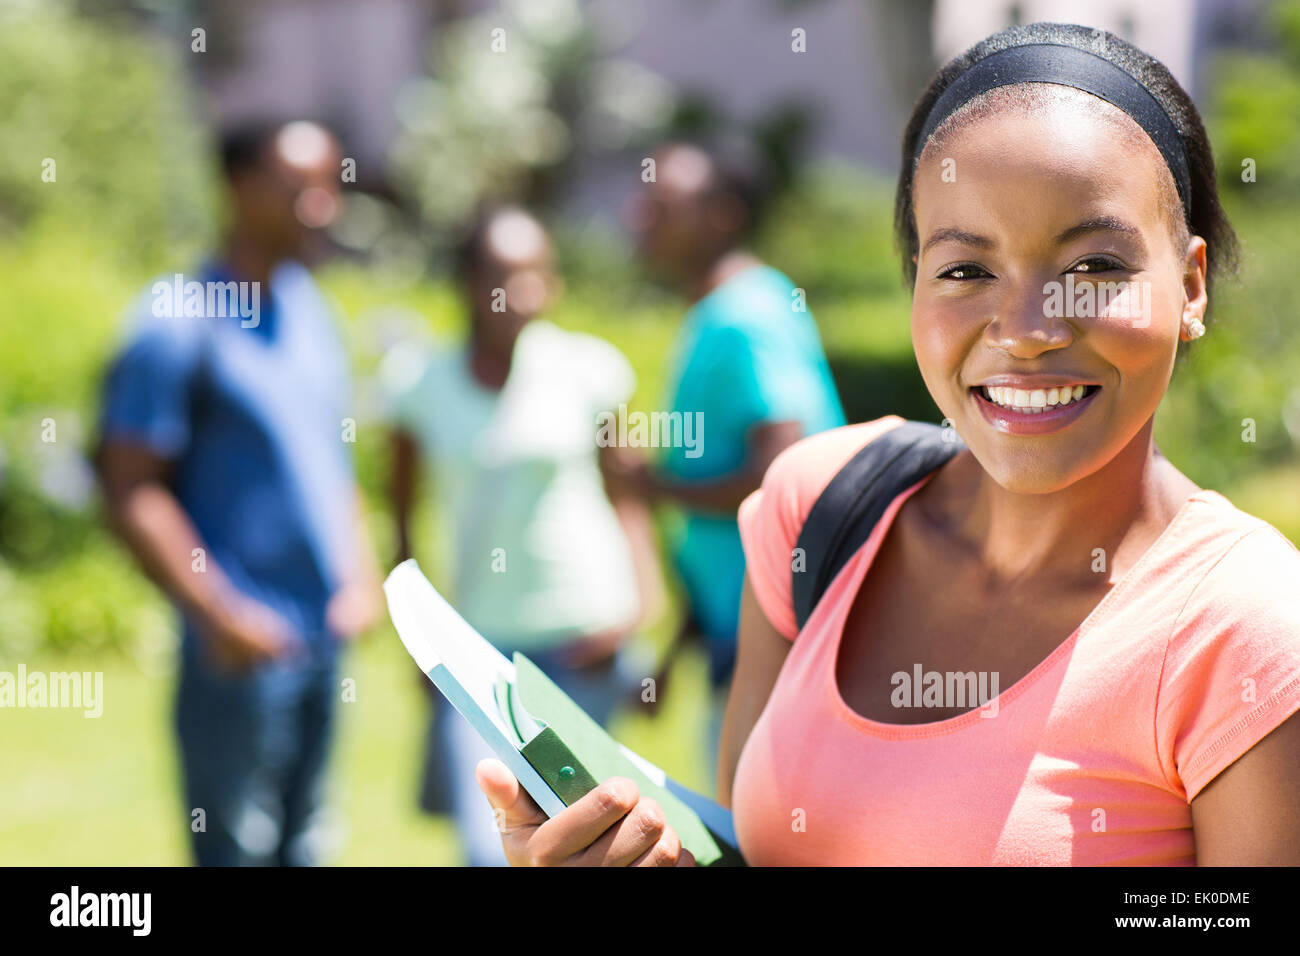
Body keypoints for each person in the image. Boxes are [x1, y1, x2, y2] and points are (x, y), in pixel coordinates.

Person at [473, 22, 1300, 866]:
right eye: (965, 270)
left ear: (1190, 285)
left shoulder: (1243, 627)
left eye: (1093, 266)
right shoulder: (821, 508)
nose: (1025, 332)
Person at [95, 119, 383, 866]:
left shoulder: (311, 311)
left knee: (308, 844)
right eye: (298, 189)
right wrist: (220, 612)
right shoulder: (175, 322)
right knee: (234, 850)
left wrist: (359, 574)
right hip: (236, 651)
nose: (321, 206)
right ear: (236, 188)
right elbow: (130, 490)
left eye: (329, 186)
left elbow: (330, 460)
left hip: (324, 639)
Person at [382, 204, 665, 867]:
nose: (522, 292)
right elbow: (401, 516)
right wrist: (417, 639)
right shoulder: (419, 385)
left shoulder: (591, 371)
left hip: (583, 637)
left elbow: (627, 495)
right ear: (466, 282)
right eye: (503, 275)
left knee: (589, 839)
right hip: (477, 644)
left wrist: (640, 607)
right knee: (490, 843)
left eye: (537, 274)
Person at [606, 140, 845, 776]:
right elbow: (723, 531)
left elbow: (782, 477)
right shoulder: (715, 311)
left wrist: (646, 486)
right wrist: (675, 651)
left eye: (663, 206)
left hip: (779, 634)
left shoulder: (747, 314)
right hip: (737, 631)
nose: (640, 217)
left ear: (723, 216)